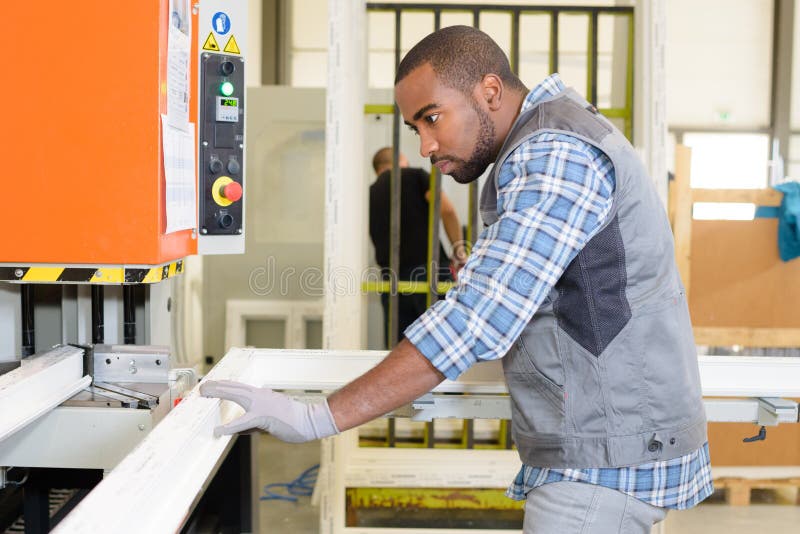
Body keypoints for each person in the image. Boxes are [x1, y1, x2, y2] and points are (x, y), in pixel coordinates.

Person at [201, 26, 712, 533]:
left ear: (489, 91)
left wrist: (314, 418)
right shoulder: (541, 147)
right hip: (596, 447)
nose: (425, 145)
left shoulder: (557, 153)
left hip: (604, 460)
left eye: (432, 118)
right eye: (414, 129)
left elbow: (477, 322)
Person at [369, 147, 467, 344]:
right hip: (428, 271)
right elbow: (446, 211)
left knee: (400, 349)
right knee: (442, 343)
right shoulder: (415, 176)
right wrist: (459, 249)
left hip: (392, 280)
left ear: (378, 169)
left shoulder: (371, 192)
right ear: (401, 161)